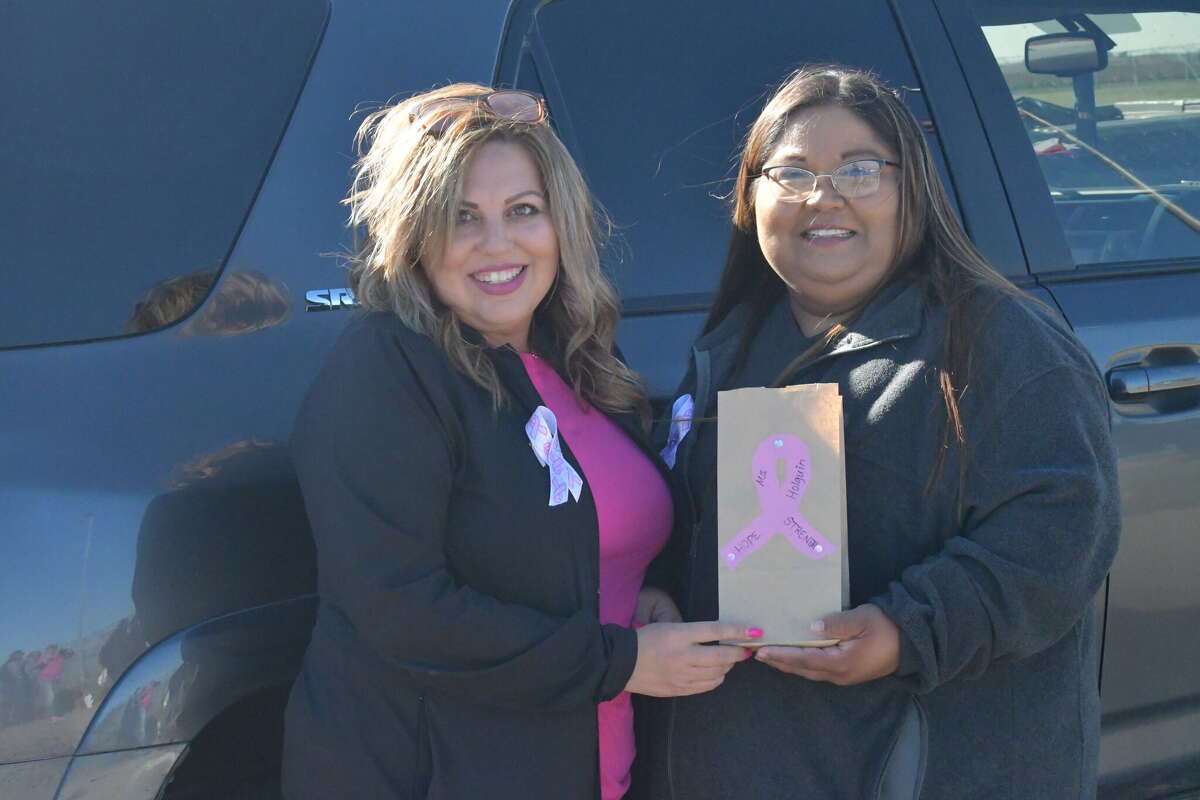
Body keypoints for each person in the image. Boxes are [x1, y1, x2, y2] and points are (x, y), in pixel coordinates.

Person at [639, 65, 1120, 799]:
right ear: (752, 195)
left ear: (911, 188)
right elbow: (694, 525)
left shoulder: (1000, 342)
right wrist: (659, 588)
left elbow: (1061, 536)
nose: (823, 197)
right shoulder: (728, 351)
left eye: (860, 170)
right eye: (792, 172)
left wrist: (908, 630)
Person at [282, 84, 751, 800]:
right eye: (460, 216)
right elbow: (400, 609)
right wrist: (620, 661)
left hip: (600, 767)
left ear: (561, 223)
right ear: (413, 234)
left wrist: (639, 595)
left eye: (524, 210)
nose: (497, 243)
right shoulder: (387, 367)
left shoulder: (581, 358)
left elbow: (581, 545)